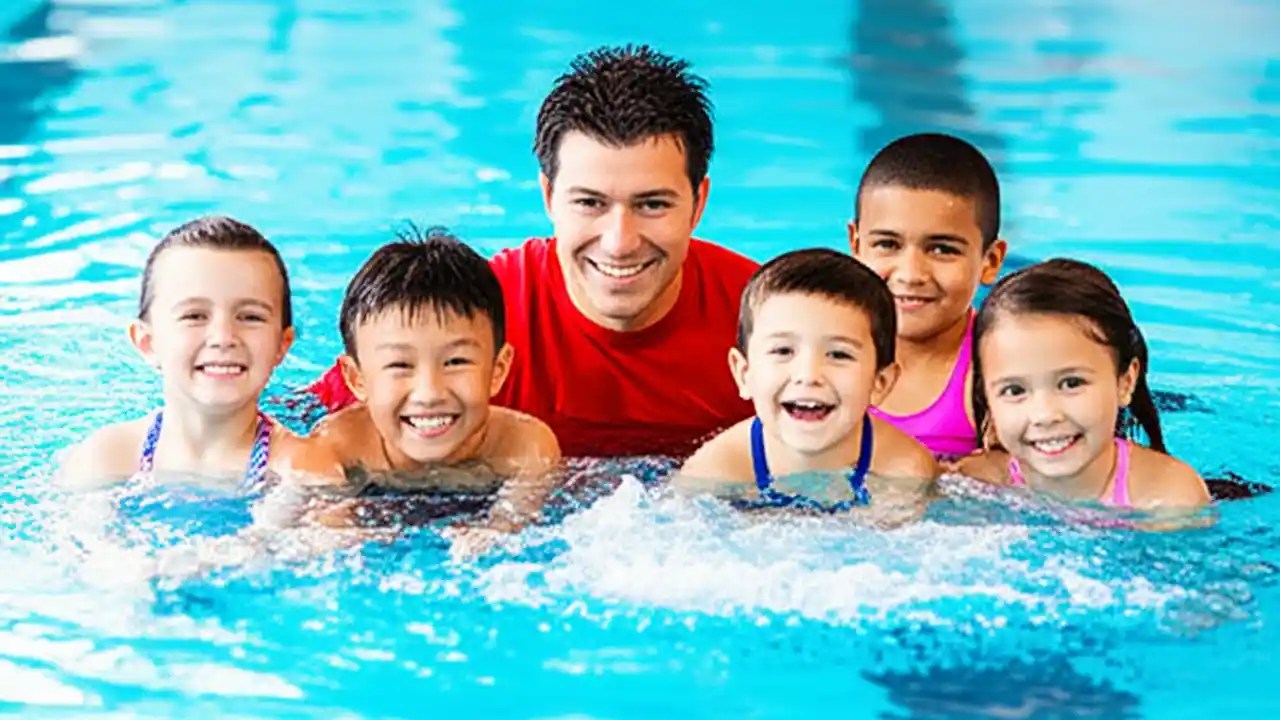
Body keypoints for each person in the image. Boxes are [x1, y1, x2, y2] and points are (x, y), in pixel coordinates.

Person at [307, 44, 758, 459]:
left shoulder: (764, 319)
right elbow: (305, 427)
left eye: (652, 204)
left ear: (698, 202)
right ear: (548, 197)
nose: (620, 242)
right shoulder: (472, 314)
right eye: (589, 203)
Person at [275, 227, 561, 551]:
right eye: (400, 365)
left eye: (455, 362)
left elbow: (511, 528)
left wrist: (495, 533)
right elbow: (273, 531)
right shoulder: (337, 446)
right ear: (357, 380)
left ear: (498, 370)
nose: (429, 393)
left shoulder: (524, 448)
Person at [674, 248, 937, 513]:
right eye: (783, 351)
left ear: (880, 382)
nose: (809, 375)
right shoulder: (715, 474)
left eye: (838, 354)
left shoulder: (904, 470)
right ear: (744, 374)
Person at [56, 215, 295, 491]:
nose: (223, 338)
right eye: (194, 315)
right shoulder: (105, 458)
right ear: (147, 342)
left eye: (251, 317)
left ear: (282, 344)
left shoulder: (301, 470)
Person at [955, 258, 1211, 511]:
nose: (1045, 415)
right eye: (1015, 390)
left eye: (1071, 383)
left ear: (1125, 382)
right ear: (986, 397)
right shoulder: (978, 484)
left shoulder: (1167, 498)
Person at [849, 133, 1007, 460]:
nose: (911, 274)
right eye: (888, 245)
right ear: (856, 245)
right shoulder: (820, 352)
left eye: (941, 249)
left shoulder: (995, 373)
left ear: (990, 262)